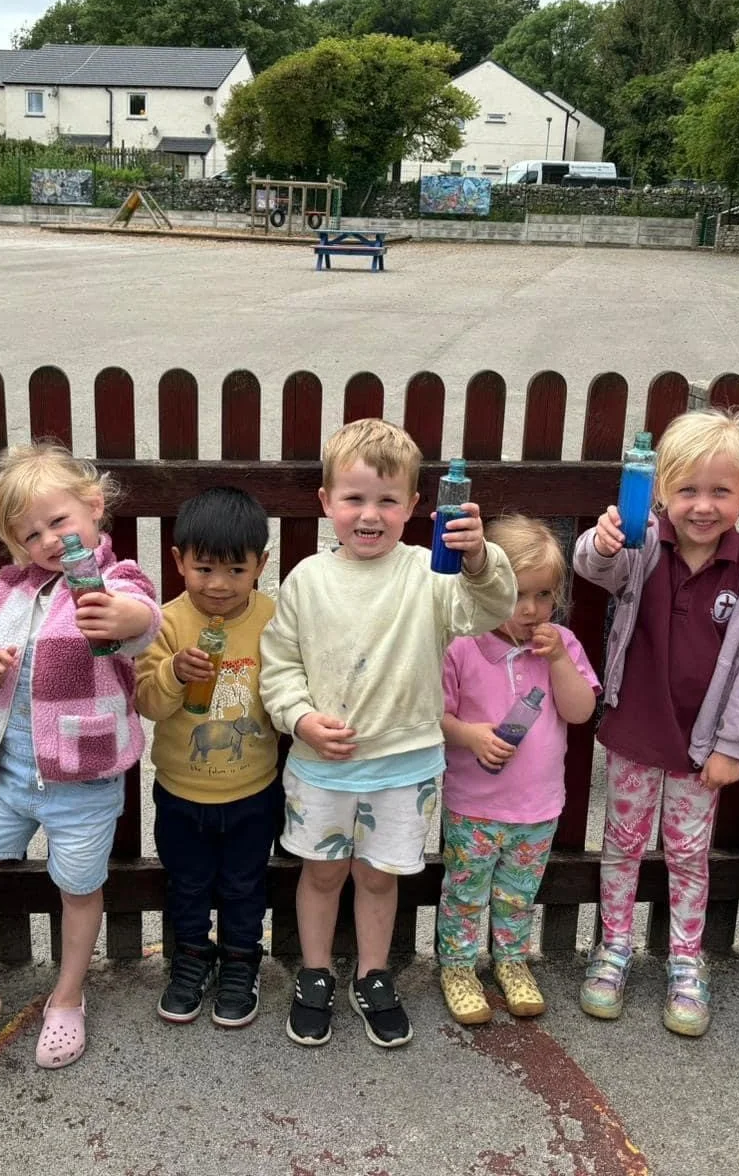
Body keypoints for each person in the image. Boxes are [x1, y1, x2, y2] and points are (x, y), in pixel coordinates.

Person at [261, 418, 516, 1049]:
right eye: (353, 498)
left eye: (386, 499)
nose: (368, 514)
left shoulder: (431, 576)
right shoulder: (306, 581)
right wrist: (299, 718)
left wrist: (481, 558)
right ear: (326, 503)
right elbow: (279, 667)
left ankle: (373, 975)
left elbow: (490, 608)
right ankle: (315, 973)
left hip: (403, 765)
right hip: (322, 765)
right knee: (321, 874)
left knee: (379, 877)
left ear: (413, 506)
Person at [0, 442, 161, 1083]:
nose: (48, 540)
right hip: (6, 780)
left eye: (59, 522)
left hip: (84, 782)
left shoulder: (116, 581)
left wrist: (123, 619)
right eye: (30, 533)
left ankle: (68, 996)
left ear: (93, 509)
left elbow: (141, 624)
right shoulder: (7, 592)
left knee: (78, 891)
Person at [573, 409, 739, 1038]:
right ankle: (613, 949)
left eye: (720, 491)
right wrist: (602, 540)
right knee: (622, 848)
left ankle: (686, 960)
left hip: (702, 746)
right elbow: (591, 567)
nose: (703, 506)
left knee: (689, 855)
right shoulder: (640, 544)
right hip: (635, 728)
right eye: (687, 490)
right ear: (661, 491)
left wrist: (733, 745)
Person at [436, 516, 599, 1024]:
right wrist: (471, 735)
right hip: (474, 804)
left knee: (517, 894)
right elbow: (434, 715)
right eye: (516, 594)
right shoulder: (462, 644)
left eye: (544, 596)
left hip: (538, 806)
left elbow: (579, 712)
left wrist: (557, 663)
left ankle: (510, 960)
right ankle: (458, 966)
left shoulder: (563, 646)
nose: (530, 610)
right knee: (464, 890)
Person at [136, 487, 279, 1029]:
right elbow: (147, 702)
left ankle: (242, 962)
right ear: (178, 561)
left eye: (236, 571)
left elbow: (290, 687)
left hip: (253, 790)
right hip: (180, 791)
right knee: (188, 884)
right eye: (204, 569)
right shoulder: (165, 622)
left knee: (246, 885)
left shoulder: (273, 617)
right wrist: (173, 672)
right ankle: (190, 960)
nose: (219, 585)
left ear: (261, 566)